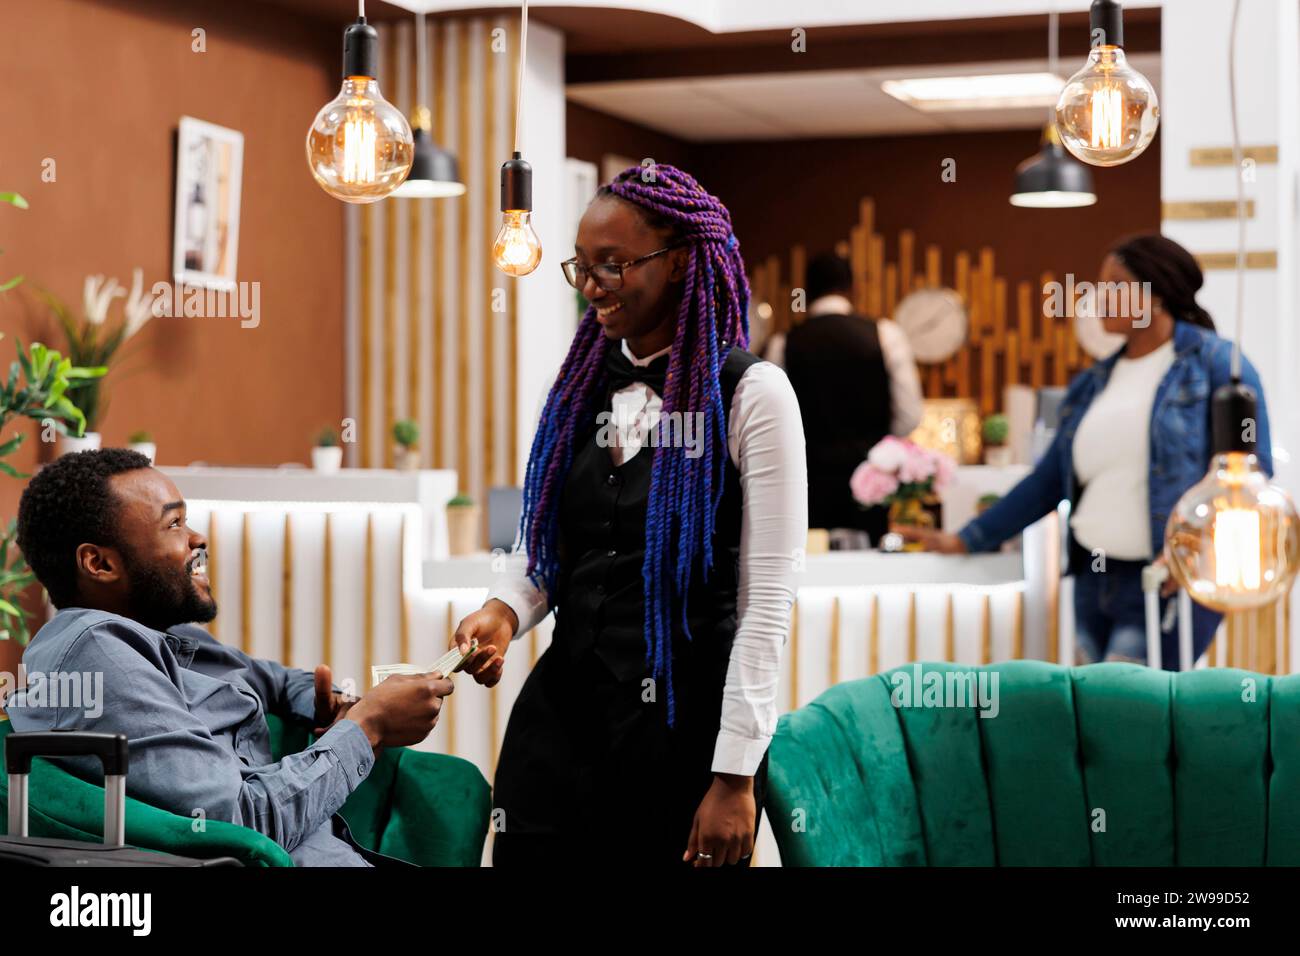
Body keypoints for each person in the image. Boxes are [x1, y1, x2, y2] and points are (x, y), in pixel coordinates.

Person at [450, 165, 807, 868]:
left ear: (679, 262)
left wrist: (735, 776)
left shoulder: (754, 396)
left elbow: (765, 606)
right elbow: (551, 546)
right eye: (581, 267)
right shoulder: (579, 386)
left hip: (684, 736)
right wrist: (505, 608)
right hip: (558, 732)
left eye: (612, 265)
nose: (591, 285)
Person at [4, 449, 453, 866]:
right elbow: (239, 823)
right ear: (100, 564)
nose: (198, 538)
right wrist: (366, 726)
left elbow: (274, 680)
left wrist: (328, 702)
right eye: (174, 524)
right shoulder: (96, 653)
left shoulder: (163, 628)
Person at [900, 234, 1273, 668]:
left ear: (1154, 295)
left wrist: (1192, 552)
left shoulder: (1216, 364)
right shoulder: (1093, 384)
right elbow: (1047, 481)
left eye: (1114, 285)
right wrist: (966, 538)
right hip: (1094, 581)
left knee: (1126, 718)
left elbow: (1249, 474)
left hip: (1165, 580)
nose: (1098, 299)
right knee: (1098, 716)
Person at [780, 252, 924, 545]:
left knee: (814, 575)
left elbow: (776, 421)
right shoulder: (885, 334)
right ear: (851, 288)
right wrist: (877, 444)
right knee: (873, 579)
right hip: (872, 481)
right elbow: (909, 415)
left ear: (806, 292)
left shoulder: (784, 343)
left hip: (808, 483)